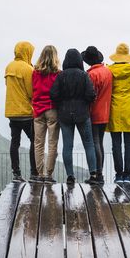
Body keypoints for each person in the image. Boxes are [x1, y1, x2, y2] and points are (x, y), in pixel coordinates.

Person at [49, 48, 98, 186]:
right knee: (88, 144)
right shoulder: (84, 75)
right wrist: (84, 102)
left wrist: (61, 102)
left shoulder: (61, 76)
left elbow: (53, 94)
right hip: (82, 114)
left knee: (67, 146)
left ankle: (70, 176)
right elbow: (91, 94)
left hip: (64, 114)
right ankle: (93, 174)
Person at [106, 42, 130, 183]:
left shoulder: (109, 70)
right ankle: (127, 175)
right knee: (129, 144)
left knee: (116, 144)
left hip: (115, 109)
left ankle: (118, 175)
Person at [4, 41, 38, 182]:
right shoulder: (28, 69)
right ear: (27, 52)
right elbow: (31, 93)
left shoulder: (9, 67)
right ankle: (34, 172)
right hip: (25, 113)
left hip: (12, 112)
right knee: (34, 141)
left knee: (15, 142)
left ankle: (16, 173)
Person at [82, 46, 113, 184]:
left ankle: (98, 174)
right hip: (105, 111)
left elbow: (90, 95)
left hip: (94, 112)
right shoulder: (108, 72)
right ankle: (100, 173)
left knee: (95, 142)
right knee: (99, 142)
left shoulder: (92, 75)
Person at [32, 45, 61, 183]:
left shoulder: (35, 73)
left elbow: (33, 89)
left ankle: (40, 173)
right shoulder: (58, 73)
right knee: (52, 142)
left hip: (38, 110)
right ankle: (48, 174)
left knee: (38, 143)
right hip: (52, 109)